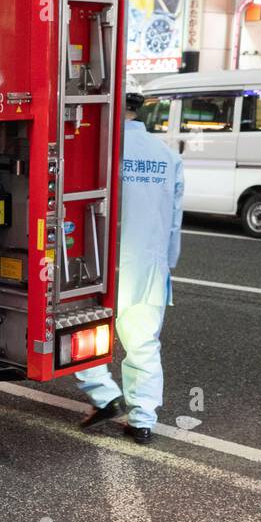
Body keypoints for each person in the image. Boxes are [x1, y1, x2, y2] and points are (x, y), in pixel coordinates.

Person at [75, 92, 185, 444]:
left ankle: (105, 395)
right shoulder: (167, 156)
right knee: (143, 345)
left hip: (101, 266)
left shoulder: (102, 148)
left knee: (82, 333)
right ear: (140, 113)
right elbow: (174, 221)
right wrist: (168, 264)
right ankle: (142, 420)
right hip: (149, 267)